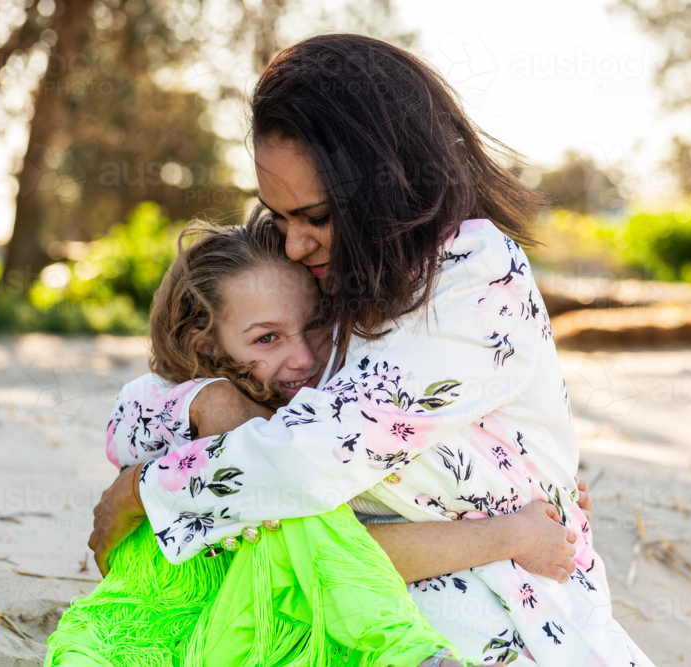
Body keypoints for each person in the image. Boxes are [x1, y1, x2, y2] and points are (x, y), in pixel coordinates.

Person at [90, 33, 651, 667]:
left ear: (386, 182)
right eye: (279, 221)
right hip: (308, 615)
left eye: (316, 216)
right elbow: (153, 409)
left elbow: (311, 462)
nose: (295, 245)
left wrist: (149, 491)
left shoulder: (472, 279)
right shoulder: (326, 292)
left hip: (499, 620)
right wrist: (208, 404)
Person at [48, 219, 578, 667]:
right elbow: (127, 426)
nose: (302, 357)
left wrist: (534, 497)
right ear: (204, 343)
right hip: (156, 608)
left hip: (251, 617)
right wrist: (209, 403)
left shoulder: (321, 409)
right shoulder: (184, 402)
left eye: (316, 326)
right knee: (84, 648)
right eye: (267, 338)